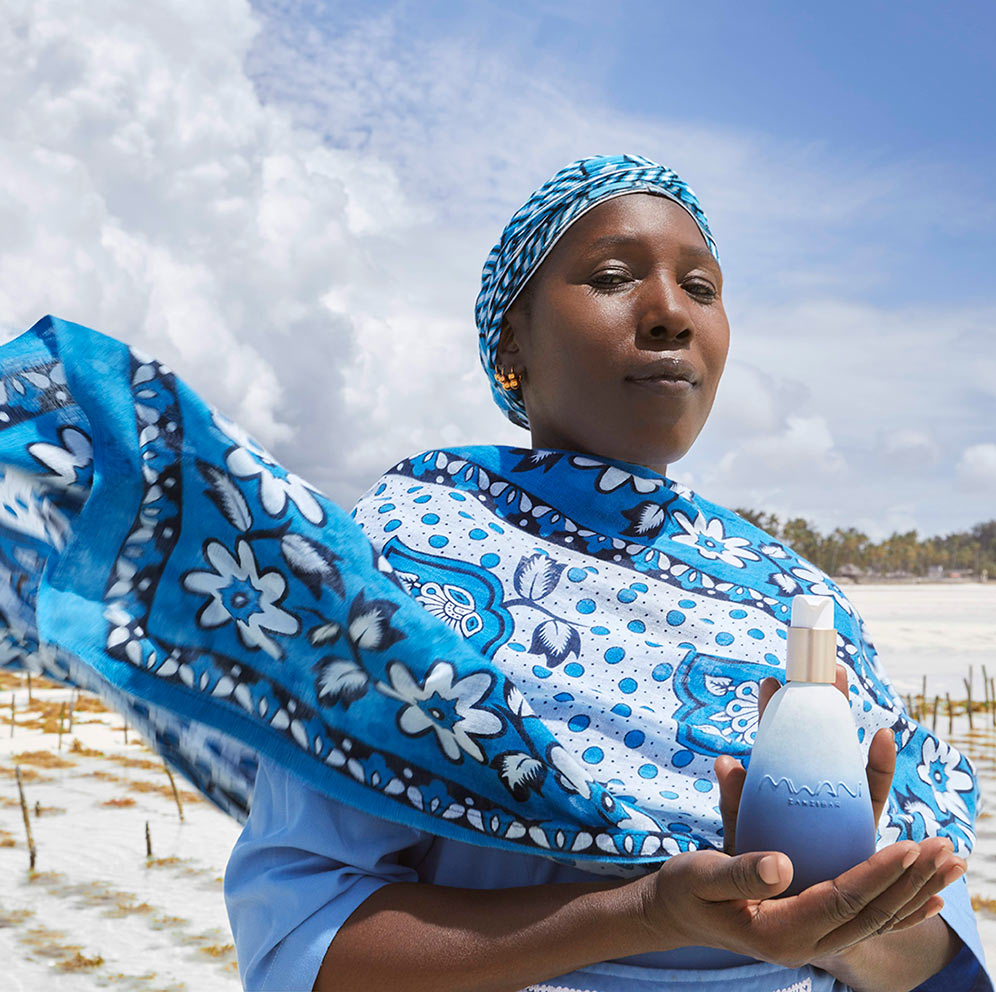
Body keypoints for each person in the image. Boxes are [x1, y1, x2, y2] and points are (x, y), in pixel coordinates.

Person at [222, 155, 991, 992]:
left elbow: (936, 961)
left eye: (701, 289)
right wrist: (642, 913)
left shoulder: (797, 603)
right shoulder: (408, 560)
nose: (669, 313)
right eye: (616, 276)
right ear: (513, 339)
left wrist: (827, 920)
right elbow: (302, 941)